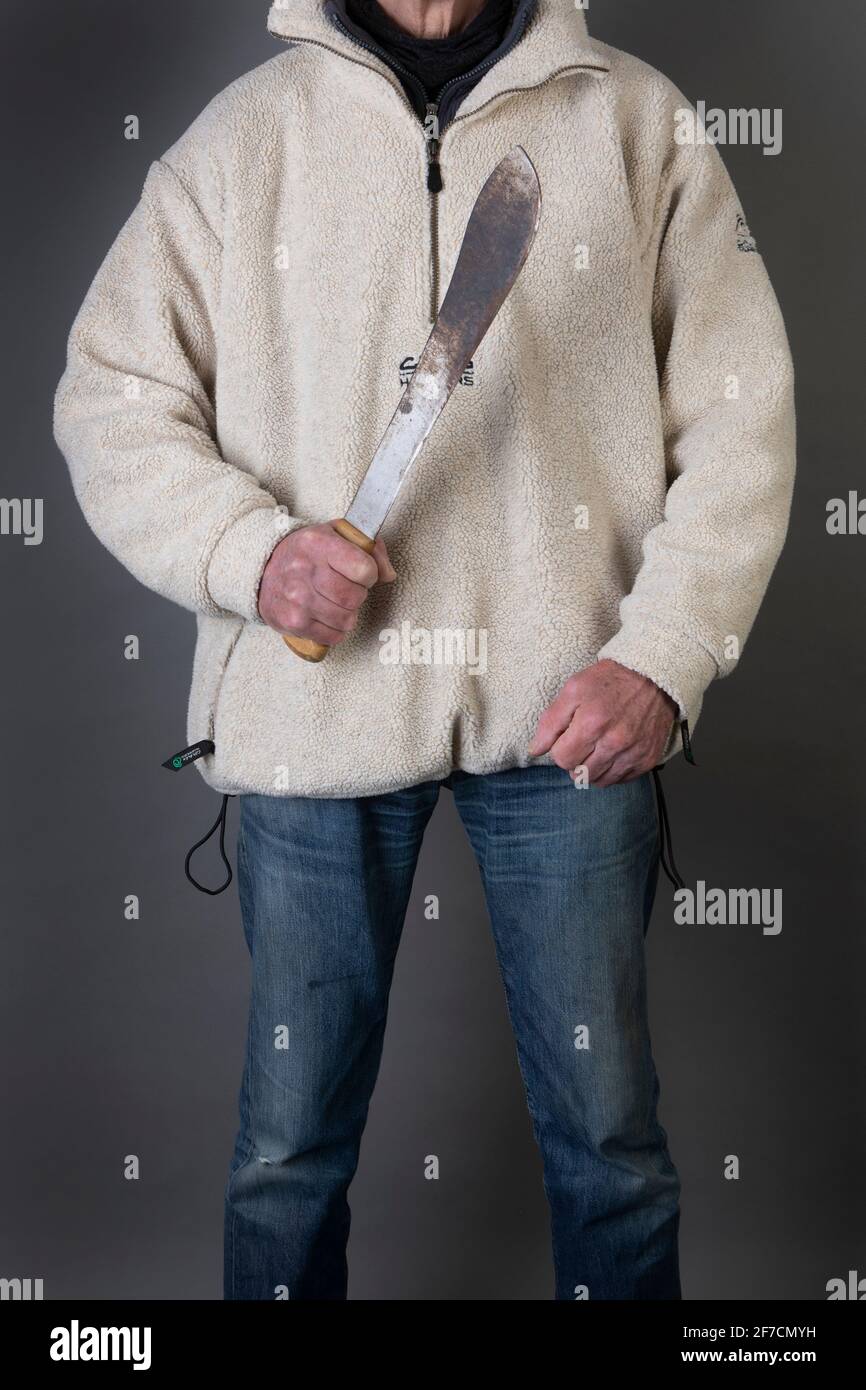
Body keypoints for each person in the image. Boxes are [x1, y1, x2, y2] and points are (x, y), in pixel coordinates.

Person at [53, 0, 796, 1300]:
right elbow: (112, 392)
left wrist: (663, 656)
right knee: (285, 1157)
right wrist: (252, 553)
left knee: (610, 1149)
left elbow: (741, 418)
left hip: (571, 707)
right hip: (309, 712)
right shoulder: (244, 140)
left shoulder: (636, 125)